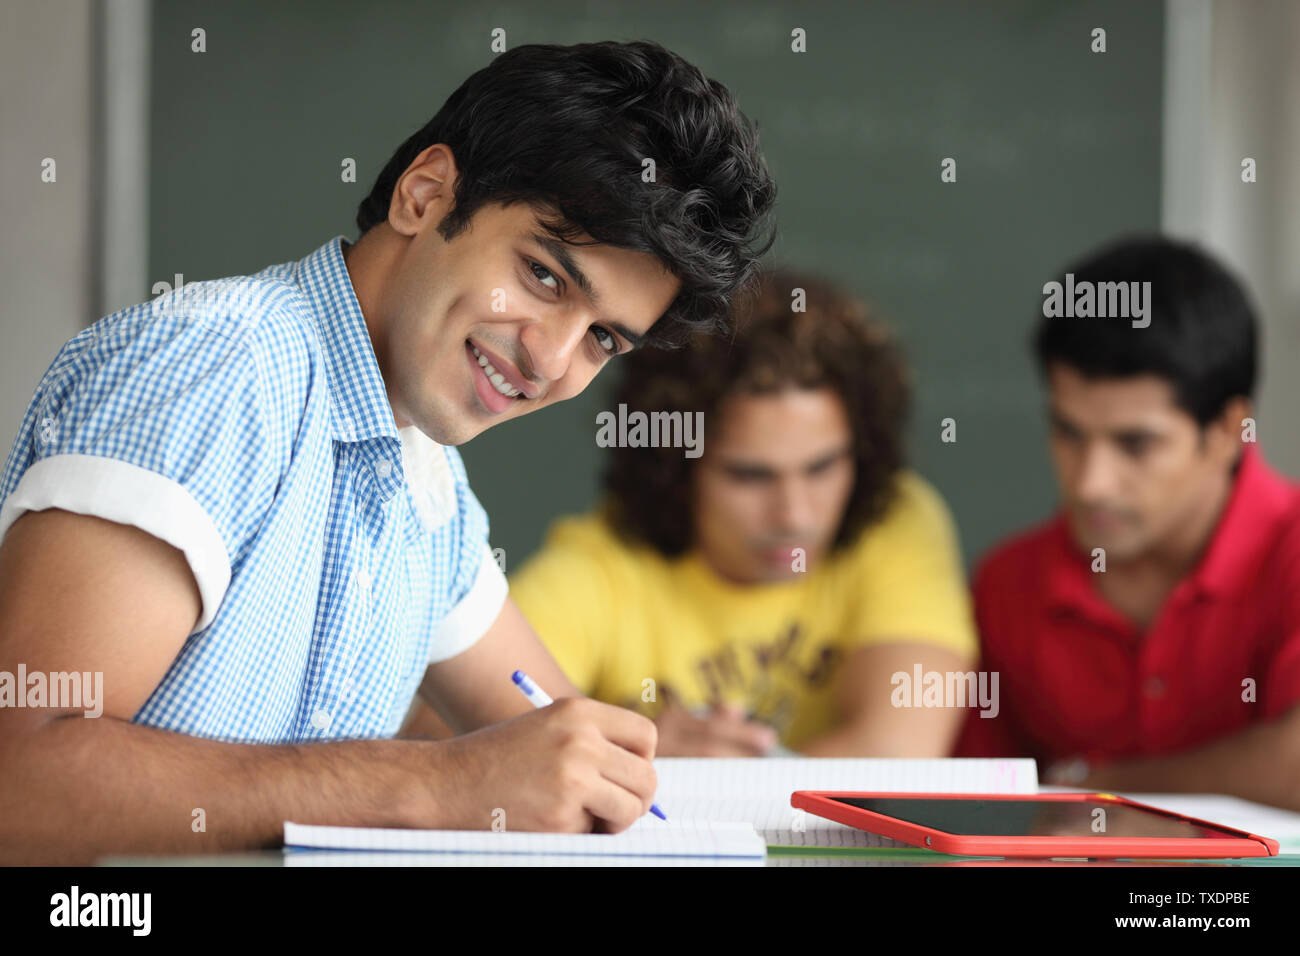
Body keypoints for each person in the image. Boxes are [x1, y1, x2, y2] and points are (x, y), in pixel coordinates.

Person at [0, 40, 777, 863]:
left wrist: (607, 760)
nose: (551, 361)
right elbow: (19, 778)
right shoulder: (216, 372)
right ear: (425, 193)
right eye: (547, 277)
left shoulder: (424, 475)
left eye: (603, 339)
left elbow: (533, 726)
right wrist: (436, 787)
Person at [508, 269, 978, 756]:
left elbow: (898, 754)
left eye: (822, 467)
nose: (794, 516)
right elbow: (455, 733)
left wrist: (684, 781)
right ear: (675, 470)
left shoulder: (897, 522)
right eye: (750, 476)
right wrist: (635, 756)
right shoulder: (599, 564)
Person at [955, 235, 1300, 811]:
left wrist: (1083, 782)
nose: (1091, 482)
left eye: (1134, 443)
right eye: (1069, 432)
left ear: (1227, 430)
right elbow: (973, 807)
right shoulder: (1007, 583)